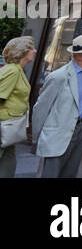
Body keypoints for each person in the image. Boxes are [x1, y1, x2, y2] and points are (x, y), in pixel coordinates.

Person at [31, 32, 82, 178]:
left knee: (70, 173)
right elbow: (40, 110)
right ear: (79, 55)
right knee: (51, 174)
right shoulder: (58, 77)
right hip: (58, 133)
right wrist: (37, 139)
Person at [0, 35, 36, 178]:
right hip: (3, 126)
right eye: (32, 48)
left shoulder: (18, 70)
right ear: (23, 51)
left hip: (9, 128)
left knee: (8, 166)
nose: (35, 51)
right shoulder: (12, 71)